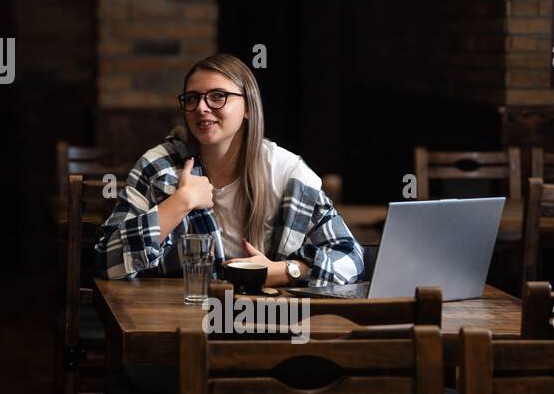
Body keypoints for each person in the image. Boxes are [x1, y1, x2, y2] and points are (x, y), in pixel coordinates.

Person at [96, 53, 362, 286]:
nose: (201, 107)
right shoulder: (159, 167)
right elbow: (107, 260)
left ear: (248, 107)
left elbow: (351, 258)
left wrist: (286, 271)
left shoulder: (287, 172)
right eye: (192, 98)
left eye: (217, 96)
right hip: (178, 320)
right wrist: (181, 202)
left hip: (270, 323)